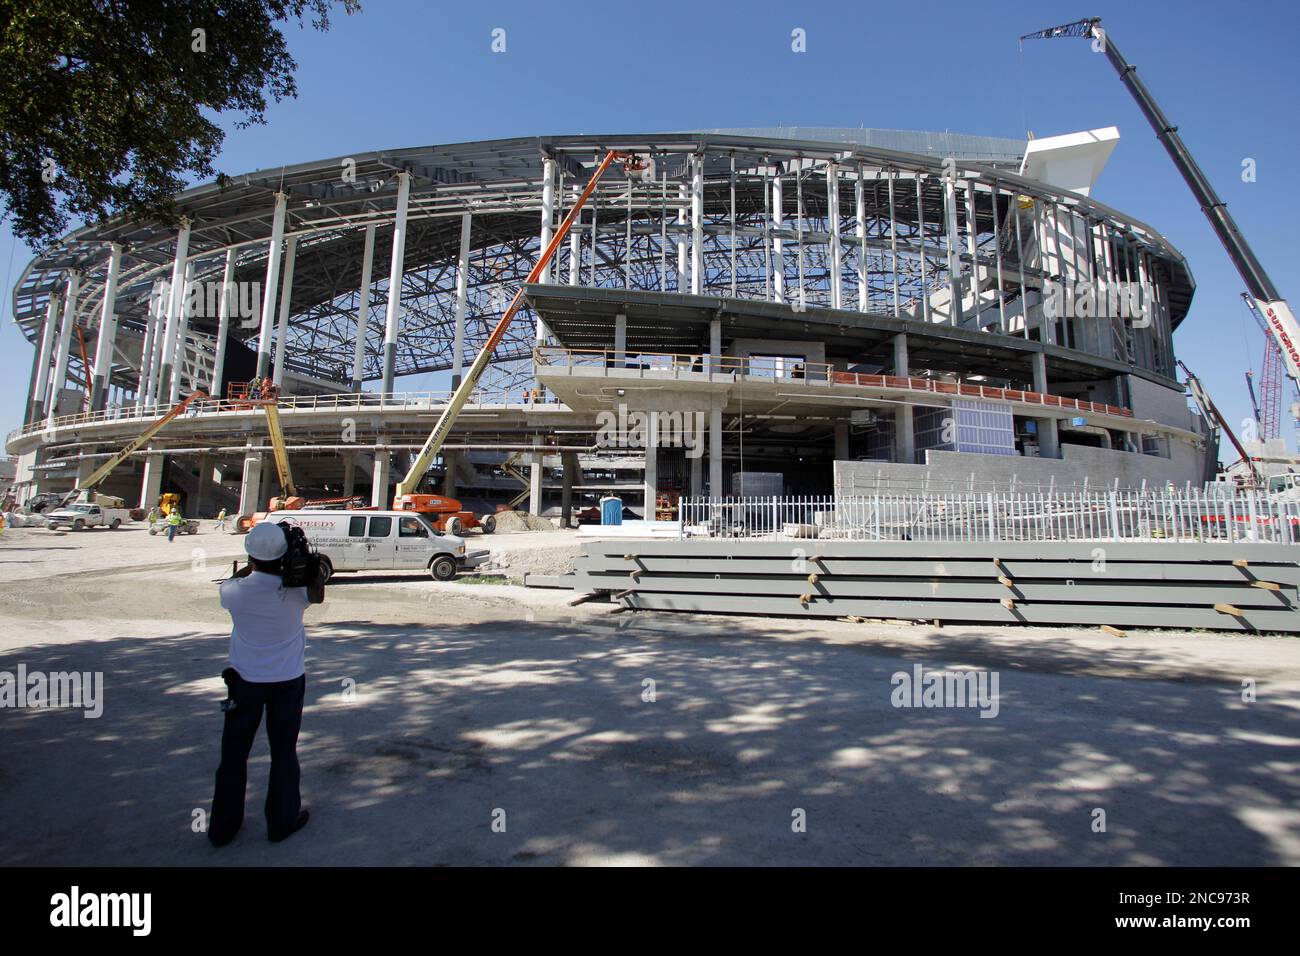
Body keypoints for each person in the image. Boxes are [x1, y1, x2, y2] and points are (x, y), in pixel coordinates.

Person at [208, 522, 325, 847]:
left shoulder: (233, 591)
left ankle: (222, 828)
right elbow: (314, 588)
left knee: (233, 756)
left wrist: (257, 562)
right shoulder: (297, 593)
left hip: (243, 682)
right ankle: (282, 821)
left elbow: (243, 577)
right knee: (284, 753)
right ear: (284, 555)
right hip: (288, 682)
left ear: (250, 554)